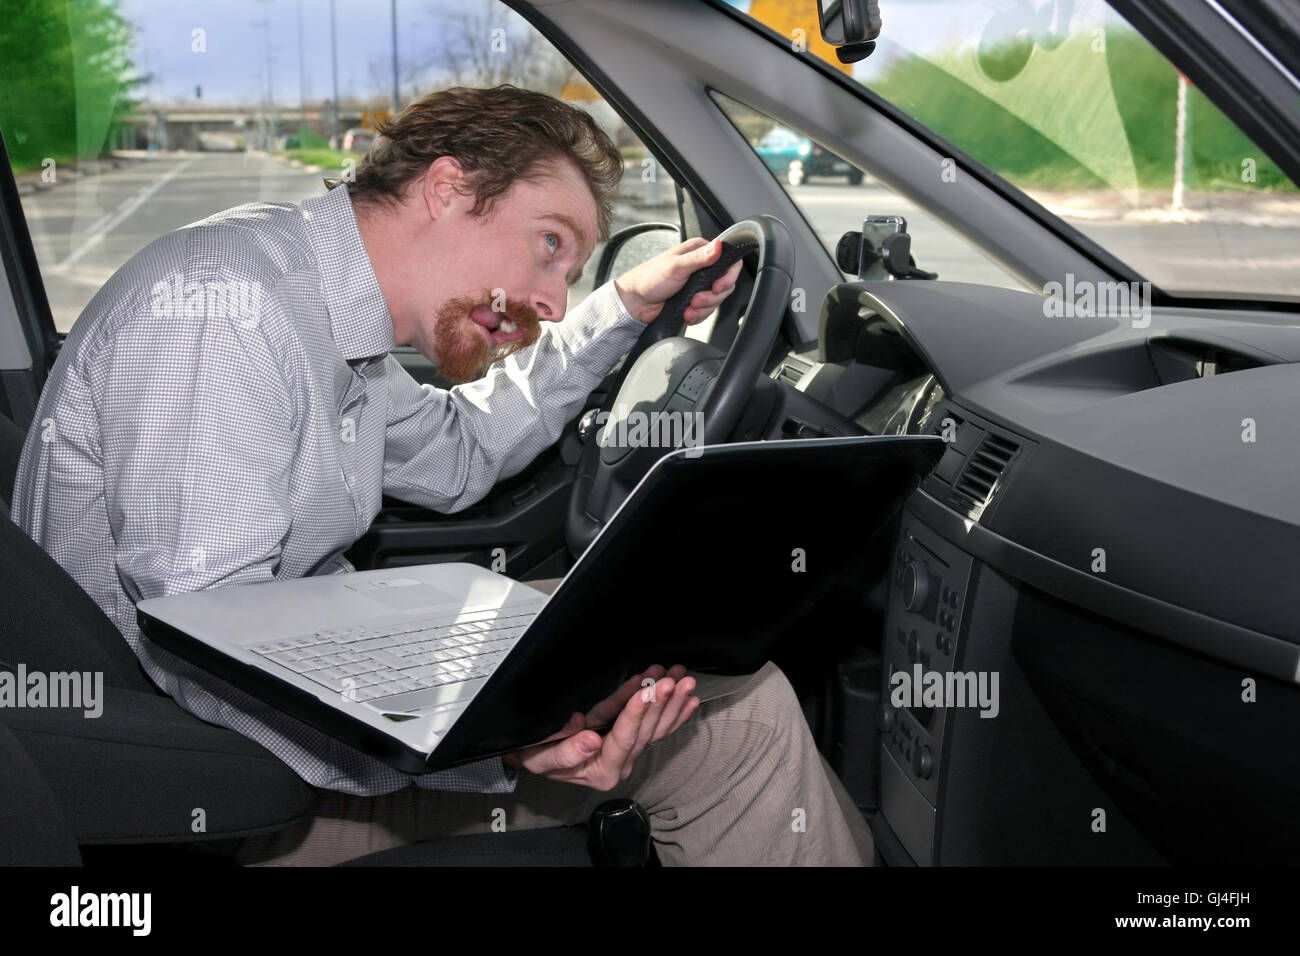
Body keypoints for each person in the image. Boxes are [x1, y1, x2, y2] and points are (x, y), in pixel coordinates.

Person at [12, 84, 870, 865]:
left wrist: (624, 310)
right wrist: (493, 741)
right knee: (743, 715)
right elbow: (209, 641)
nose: (554, 301)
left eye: (570, 273)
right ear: (448, 187)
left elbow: (460, 453)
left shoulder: (321, 312)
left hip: (274, 706)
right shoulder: (225, 314)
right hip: (218, 786)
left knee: (650, 643)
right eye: (548, 247)